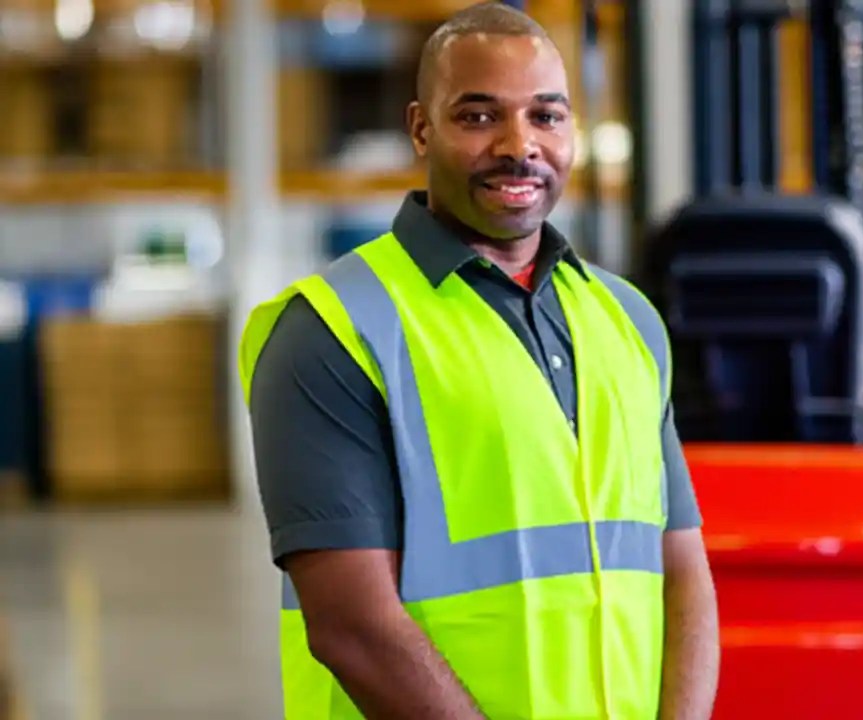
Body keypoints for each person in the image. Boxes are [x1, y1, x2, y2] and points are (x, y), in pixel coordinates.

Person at [237, 3, 720, 718]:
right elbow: (352, 627)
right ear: (421, 128)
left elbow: (682, 575)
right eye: (479, 116)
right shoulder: (332, 331)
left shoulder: (628, 322)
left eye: (547, 116)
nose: (519, 144)